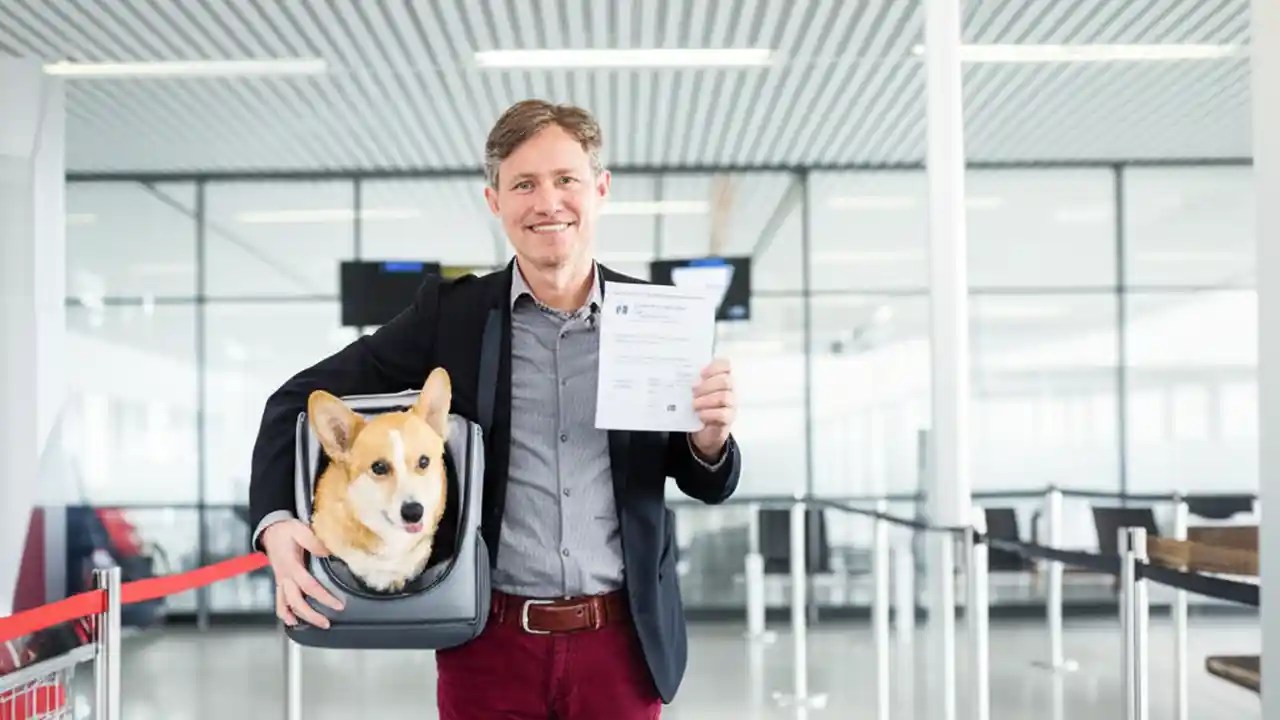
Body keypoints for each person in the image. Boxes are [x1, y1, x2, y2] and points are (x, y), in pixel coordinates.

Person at [247, 99, 742, 719]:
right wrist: (274, 520)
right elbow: (295, 398)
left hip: (622, 645)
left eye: (566, 180)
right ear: (495, 201)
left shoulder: (656, 320)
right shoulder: (451, 317)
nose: (547, 202)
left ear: (601, 189)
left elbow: (701, 478)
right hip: (488, 642)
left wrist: (709, 441)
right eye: (524, 184)